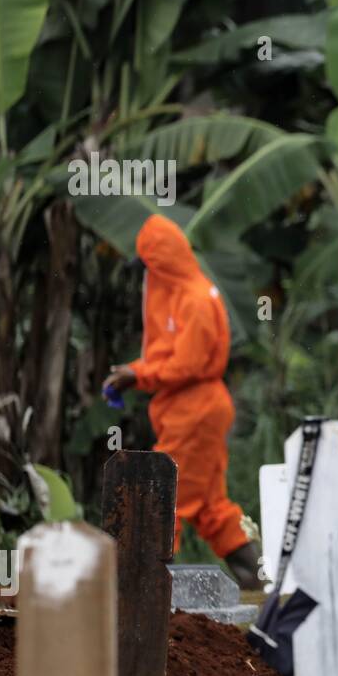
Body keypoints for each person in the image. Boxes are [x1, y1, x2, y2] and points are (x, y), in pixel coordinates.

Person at [102, 216, 261, 588]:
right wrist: (135, 371)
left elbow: (187, 365)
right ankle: (255, 579)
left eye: (149, 266)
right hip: (189, 409)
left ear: (162, 260)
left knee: (165, 496)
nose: (147, 276)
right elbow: (170, 357)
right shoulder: (179, 295)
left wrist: (138, 376)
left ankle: (149, 590)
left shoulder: (194, 299)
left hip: (196, 412)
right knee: (210, 507)